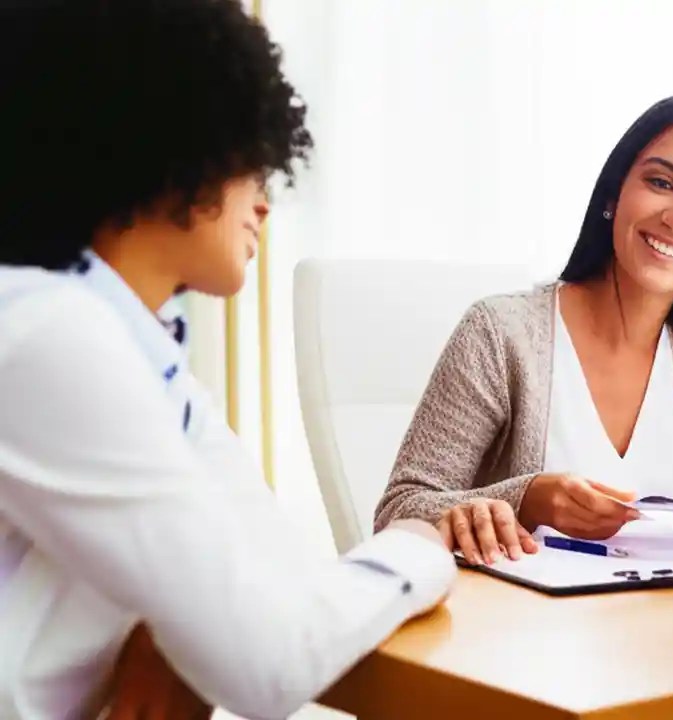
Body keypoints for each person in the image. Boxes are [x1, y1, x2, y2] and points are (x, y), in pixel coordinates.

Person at [0, 1, 456, 718]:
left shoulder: (150, 358)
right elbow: (271, 661)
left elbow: (282, 588)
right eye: (252, 166)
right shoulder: (43, 331)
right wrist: (420, 547)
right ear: (174, 144)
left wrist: (176, 638)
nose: (265, 205)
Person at [375, 92, 673, 567]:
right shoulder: (501, 335)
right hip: (521, 623)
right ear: (615, 192)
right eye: (662, 182)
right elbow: (399, 512)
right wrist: (526, 498)